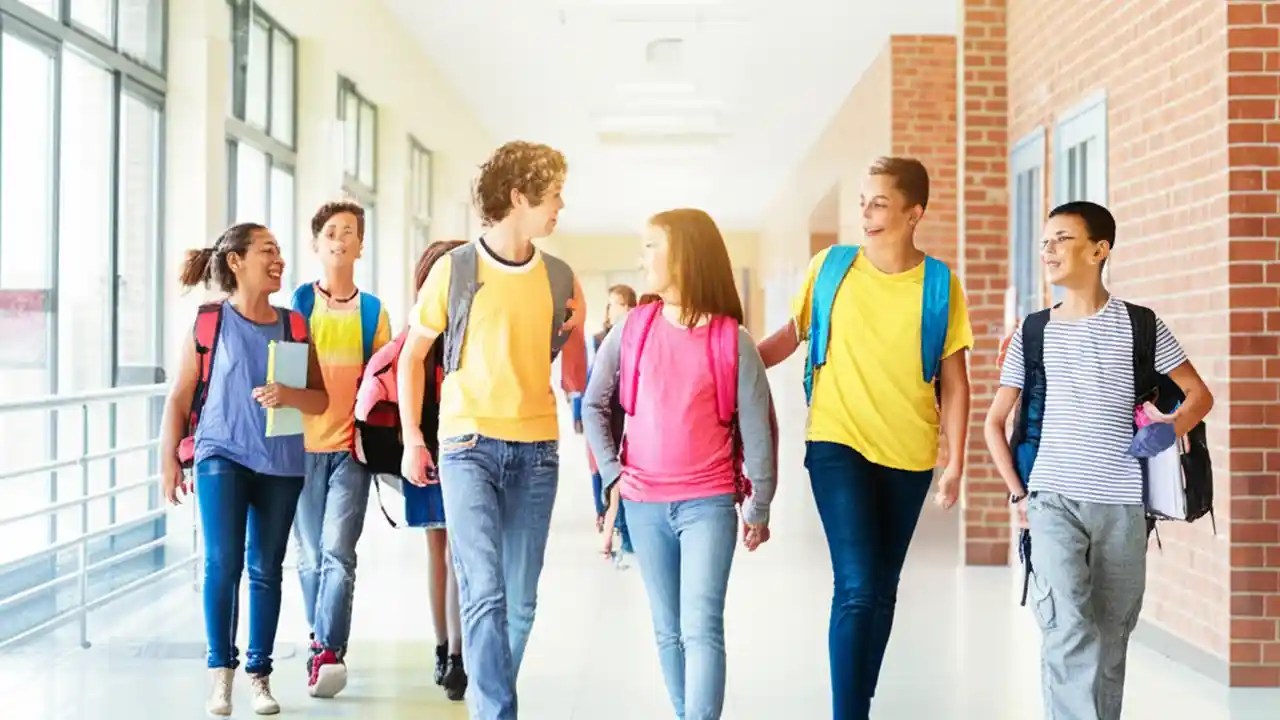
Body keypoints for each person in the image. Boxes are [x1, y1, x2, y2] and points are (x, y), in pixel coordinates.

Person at [757, 156, 972, 719]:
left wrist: (955, 463)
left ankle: (859, 697)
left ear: (913, 213)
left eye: (879, 203)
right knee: (855, 584)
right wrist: (731, 363)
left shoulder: (940, 284)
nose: (866, 214)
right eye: (862, 202)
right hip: (836, 440)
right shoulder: (830, 267)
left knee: (882, 586)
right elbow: (791, 336)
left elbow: (954, 378)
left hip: (908, 451)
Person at [984, 201, 1213, 720]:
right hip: (1052, 501)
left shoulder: (1143, 326)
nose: (1049, 250)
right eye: (1044, 241)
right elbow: (993, 423)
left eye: (1061, 239)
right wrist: (1021, 496)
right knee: (1068, 630)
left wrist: (1168, 430)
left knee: (1111, 638)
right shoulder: (1032, 332)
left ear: (1099, 249)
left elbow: (1199, 395)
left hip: (1123, 507)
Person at [396, 141, 587, 720]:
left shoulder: (559, 275)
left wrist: (581, 329)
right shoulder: (456, 270)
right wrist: (412, 438)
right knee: (484, 592)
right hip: (468, 445)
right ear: (518, 196)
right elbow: (411, 357)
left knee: (521, 603)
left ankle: (487, 697)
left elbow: (574, 374)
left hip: (537, 451)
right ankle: (496, 713)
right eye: (553, 195)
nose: (561, 207)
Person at [583, 208, 776, 720]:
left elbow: (761, 433)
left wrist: (758, 508)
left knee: (701, 625)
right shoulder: (632, 328)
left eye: (651, 246)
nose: (641, 257)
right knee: (668, 628)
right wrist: (612, 474)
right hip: (644, 505)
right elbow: (594, 403)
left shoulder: (733, 341)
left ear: (684, 256)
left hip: (708, 505)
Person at [159, 223, 328, 717]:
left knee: (265, 570)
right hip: (220, 453)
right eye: (267, 251)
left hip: (280, 461)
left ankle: (260, 675)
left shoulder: (294, 324)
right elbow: (181, 395)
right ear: (236, 262)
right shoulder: (209, 322)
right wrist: (166, 461)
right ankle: (221, 676)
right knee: (222, 562)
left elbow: (319, 398)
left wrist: (289, 395)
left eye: (279, 251)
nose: (278, 259)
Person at [291, 201, 392, 698]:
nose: (339, 238)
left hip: (351, 451)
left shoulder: (373, 311)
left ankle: (329, 649)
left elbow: (382, 385)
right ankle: (318, 642)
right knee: (310, 556)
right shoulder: (298, 305)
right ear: (316, 244)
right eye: (330, 231)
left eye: (348, 232)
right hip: (301, 449)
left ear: (360, 244)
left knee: (337, 551)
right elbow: (286, 376)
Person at [409, 239, 470, 701]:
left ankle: (452, 653)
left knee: (449, 554)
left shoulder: (450, 329)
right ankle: (449, 650)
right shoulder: (426, 333)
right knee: (444, 553)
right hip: (433, 452)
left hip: (451, 449)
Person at [572, 284, 638, 564]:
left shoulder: (636, 335)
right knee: (601, 471)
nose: (613, 309)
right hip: (602, 414)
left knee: (619, 476)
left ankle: (618, 534)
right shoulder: (599, 340)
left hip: (625, 415)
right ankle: (606, 521)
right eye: (610, 303)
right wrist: (578, 412)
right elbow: (588, 382)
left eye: (619, 304)